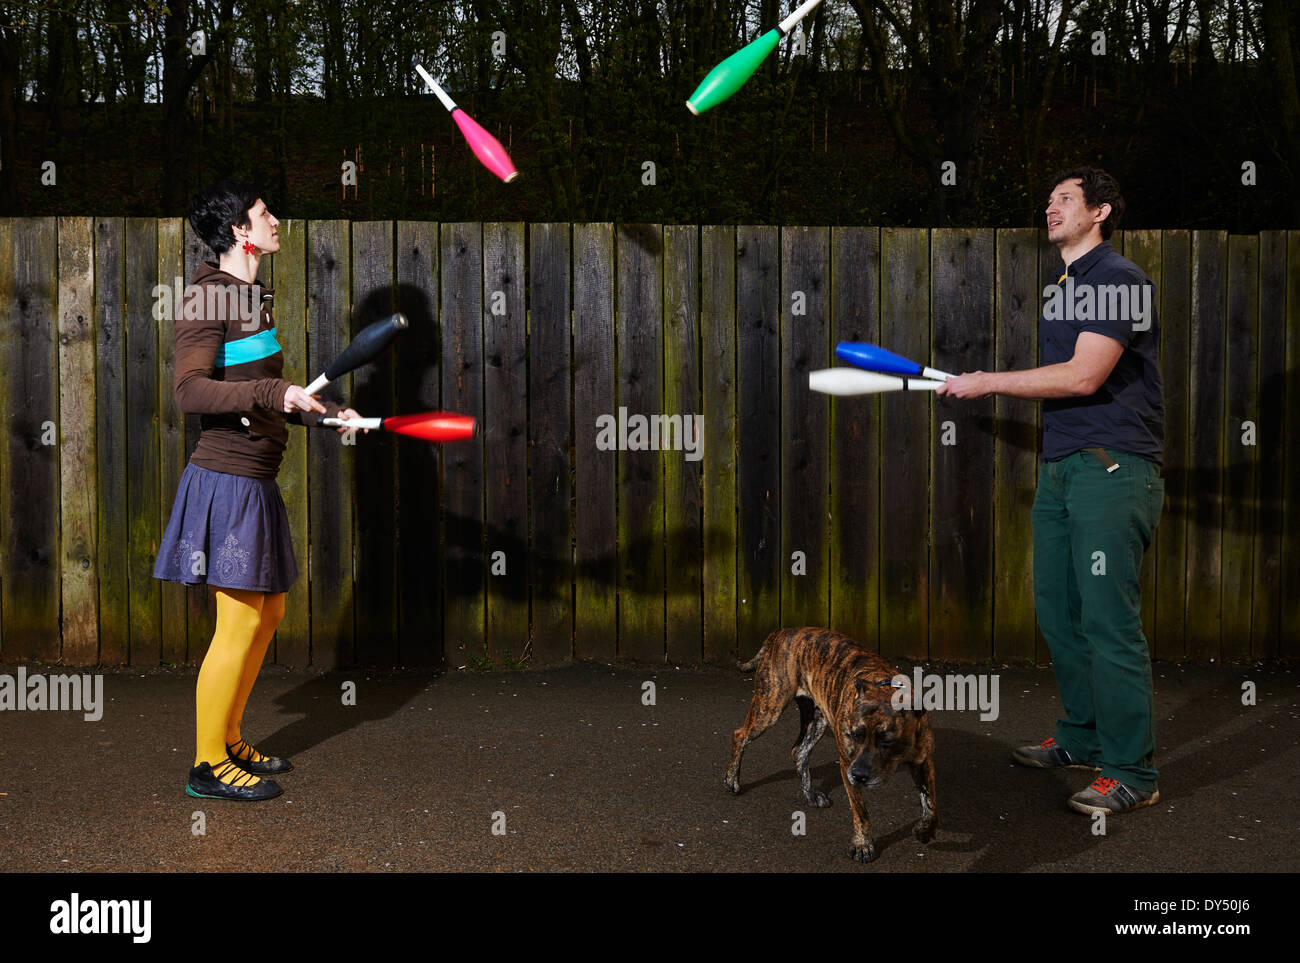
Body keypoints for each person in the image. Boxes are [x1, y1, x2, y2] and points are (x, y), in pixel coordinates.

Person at [937, 167, 1165, 814]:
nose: (1050, 206)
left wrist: (986, 381)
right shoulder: (1067, 285)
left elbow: (1084, 376)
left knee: (1107, 621)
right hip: (1065, 466)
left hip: (1112, 468)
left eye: (1065, 198)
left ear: (1101, 211)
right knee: (1059, 612)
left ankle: (1133, 770)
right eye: (1049, 198)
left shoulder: (1120, 279)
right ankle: (1084, 736)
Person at [154, 179, 365, 801]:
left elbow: (270, 396)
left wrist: (326, 413)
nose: (277, 220)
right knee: (238, 622)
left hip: (256, 477)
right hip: (226, 477)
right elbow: (189, 392)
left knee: (265, 613)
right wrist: (277, 394)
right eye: (265, 212)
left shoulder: (250, 299)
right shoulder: (206, 298)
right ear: (241, 232)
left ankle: (229, 737)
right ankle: (206, 765)